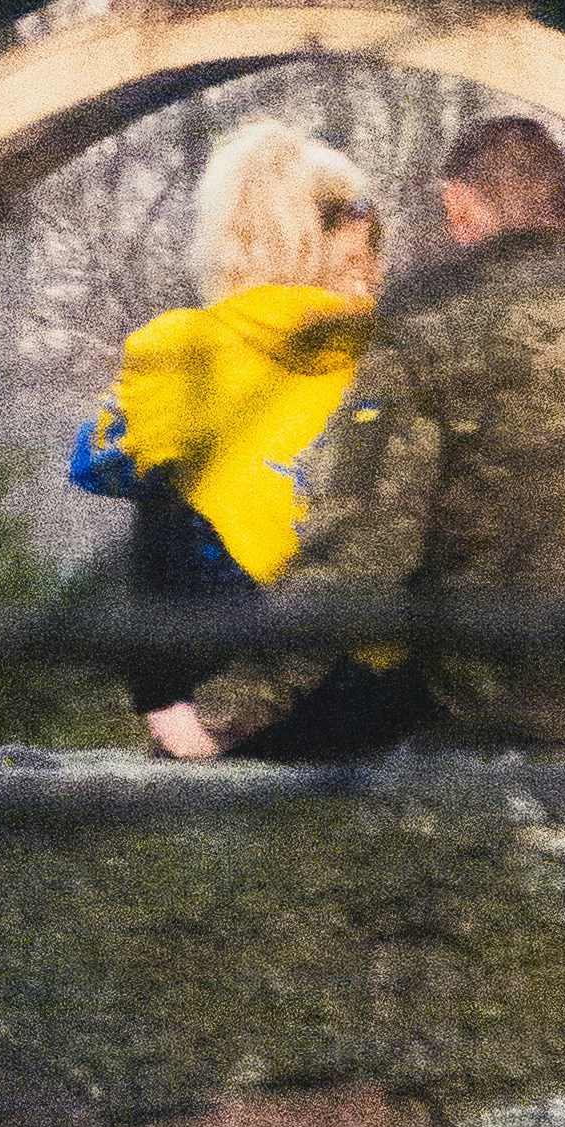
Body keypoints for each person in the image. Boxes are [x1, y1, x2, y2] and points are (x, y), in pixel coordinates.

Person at [148, 109, 565, 760]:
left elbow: (356, 558)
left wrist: (221, 716)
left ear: (459, 207)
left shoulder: (425, 335)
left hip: (512, 732)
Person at [71, 117, 388, 739]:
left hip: (229, 690)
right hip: (378, 686)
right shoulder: (393, 356)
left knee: (166, 488)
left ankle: (166, 709)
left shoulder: (188, 345)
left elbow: (99, 463)